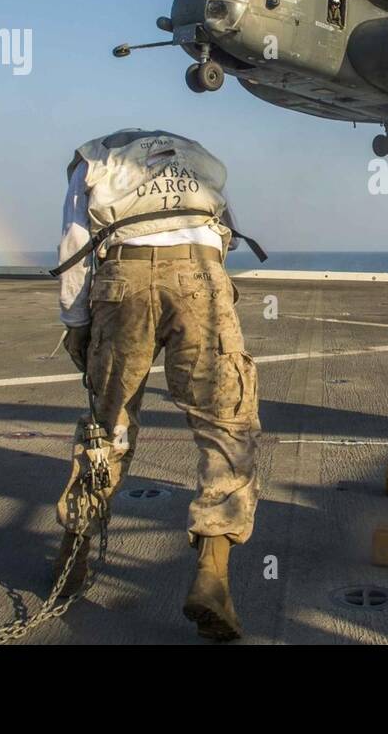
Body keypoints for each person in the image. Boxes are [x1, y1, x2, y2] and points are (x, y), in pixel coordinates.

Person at [51, 127, 261, 640]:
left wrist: (77, 324)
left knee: (108, 423)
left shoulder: (93, 159)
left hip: (124, 277)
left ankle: (71, 560)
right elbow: (222, 235)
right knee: (226, 425)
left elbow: (76, 246)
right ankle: (212, 572)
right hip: (202, 280)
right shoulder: (203, 158)